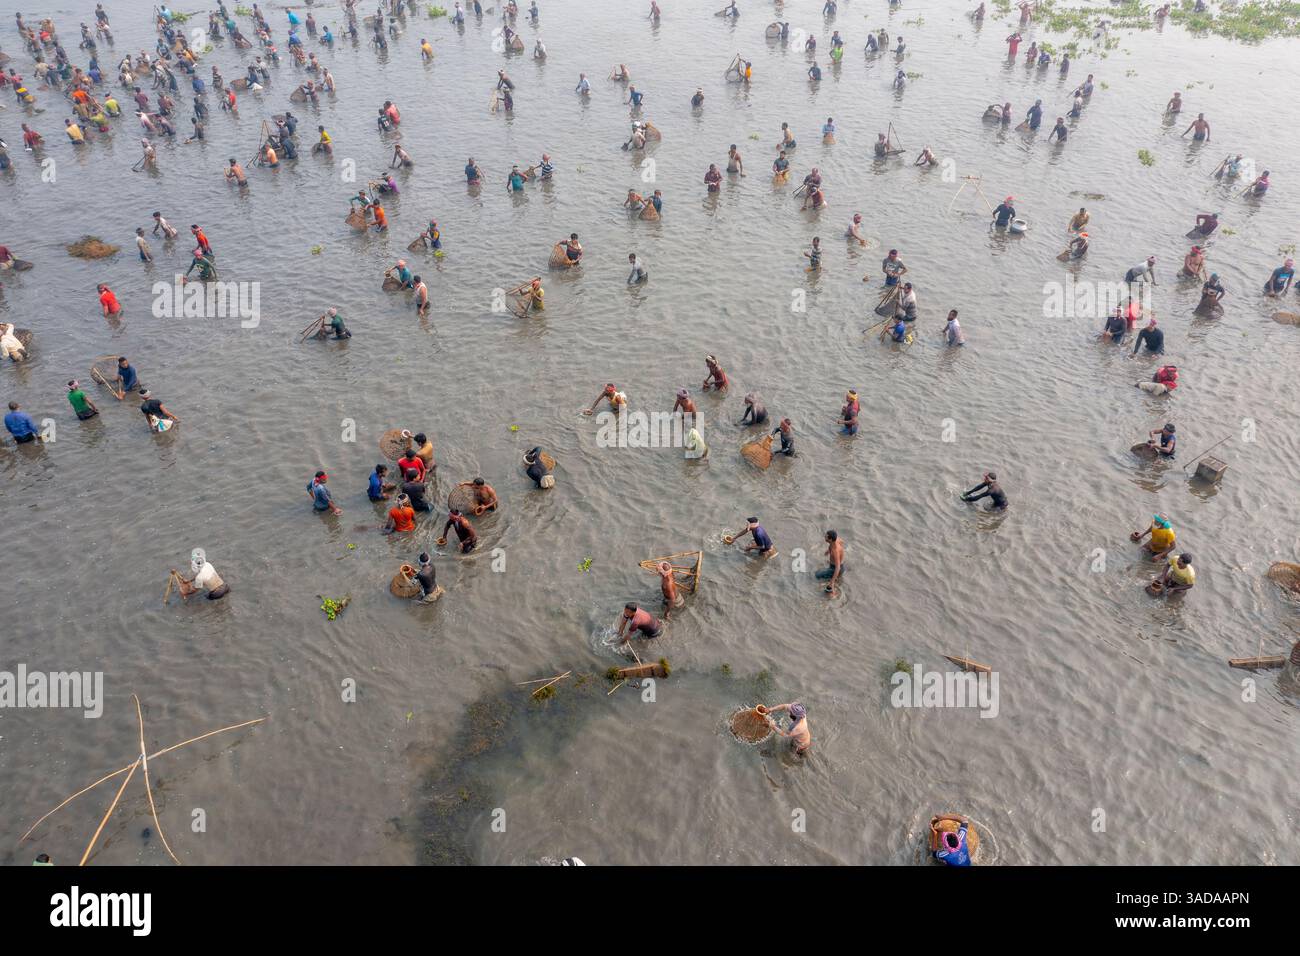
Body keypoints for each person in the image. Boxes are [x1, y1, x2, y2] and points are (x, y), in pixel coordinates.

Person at [816, 530, 845, 595]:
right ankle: (835, 580)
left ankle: (833, 590)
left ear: (830, 539)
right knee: (819, 572)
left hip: (835, 569)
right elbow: (842, 541)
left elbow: (838, 567)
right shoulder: (836, 540)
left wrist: (832, 582)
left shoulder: (835, 551)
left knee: (817, 575)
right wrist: (829, 551)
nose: (824, 537)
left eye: (826, 536)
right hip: (833, 565)